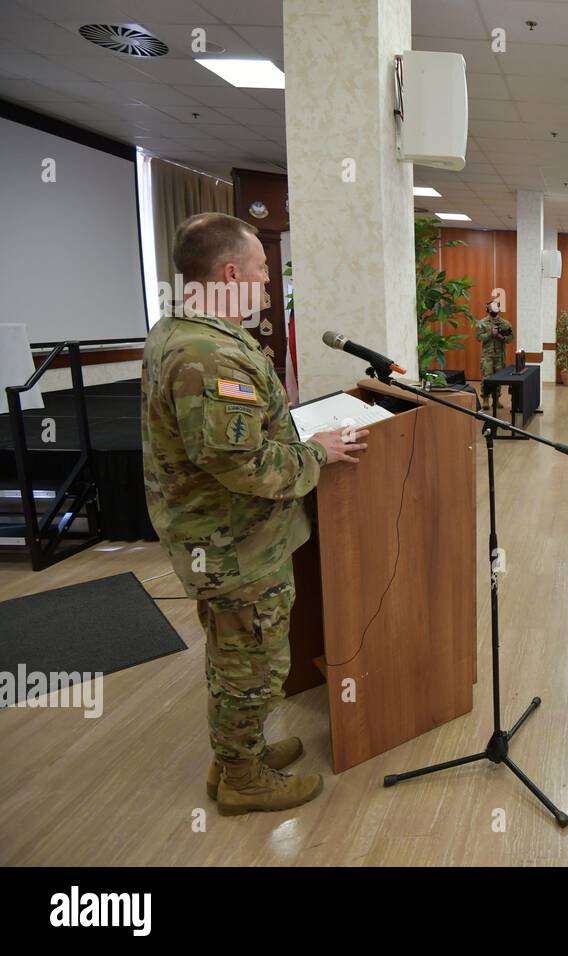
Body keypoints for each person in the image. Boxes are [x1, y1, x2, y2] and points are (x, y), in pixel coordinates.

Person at [142, 212, 367, 814]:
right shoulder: (208, 353)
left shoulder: (183, 332)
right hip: (233, 544)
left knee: (235, 653)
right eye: (264, 269)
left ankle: (235, 756)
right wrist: (318, 453)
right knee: (252, 664)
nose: (269, 282)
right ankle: (244, 780)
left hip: (222, 539)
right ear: (231, 271)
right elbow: (242, 464)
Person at [475, 299, 514, 396]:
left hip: (500, 356)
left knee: (498, 378)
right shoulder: (482, 323)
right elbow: (479, 337)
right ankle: (485, 399)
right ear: (487, 309)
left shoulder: (505, 323)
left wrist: (502, 337)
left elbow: (510, 338)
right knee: (486, 377)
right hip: (487, 355)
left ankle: (496, 400)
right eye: (491, 307)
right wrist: (490, 334)